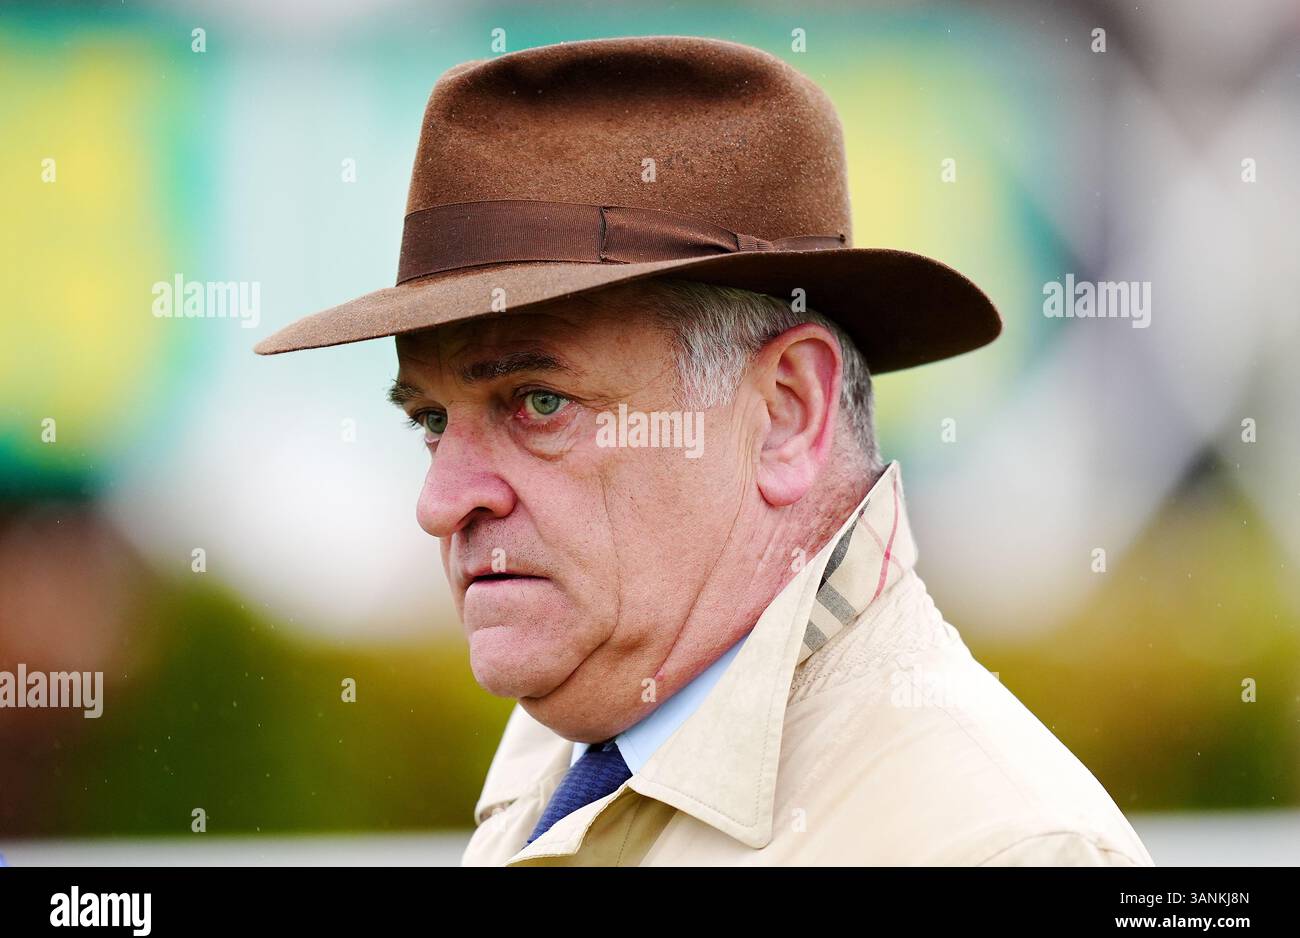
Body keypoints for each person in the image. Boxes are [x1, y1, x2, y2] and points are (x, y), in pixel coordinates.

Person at [256, 35, 1154, 867]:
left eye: (538, 402)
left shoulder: (1000, 853)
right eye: (431, 421)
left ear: (787, 415)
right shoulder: (581, 750)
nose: (441, 501)